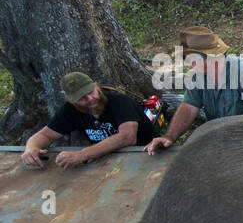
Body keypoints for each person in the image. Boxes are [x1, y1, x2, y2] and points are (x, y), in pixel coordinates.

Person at [144, 26, 243, 155]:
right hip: (223, 143)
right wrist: (169, 137)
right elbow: (188, 107)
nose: (187, 63)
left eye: (190, 58)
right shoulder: (198, 77)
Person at [21, 73, 158, 170]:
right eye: (82, 98)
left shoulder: (120, 102)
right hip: (108, 161)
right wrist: (31, 149)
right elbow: (45, 136)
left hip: (146, 155)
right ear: (70, 100)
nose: (91, 99)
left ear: (97, 86)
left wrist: (82, 155)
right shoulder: (70, 110)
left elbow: (127, 137)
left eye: (91, 92)